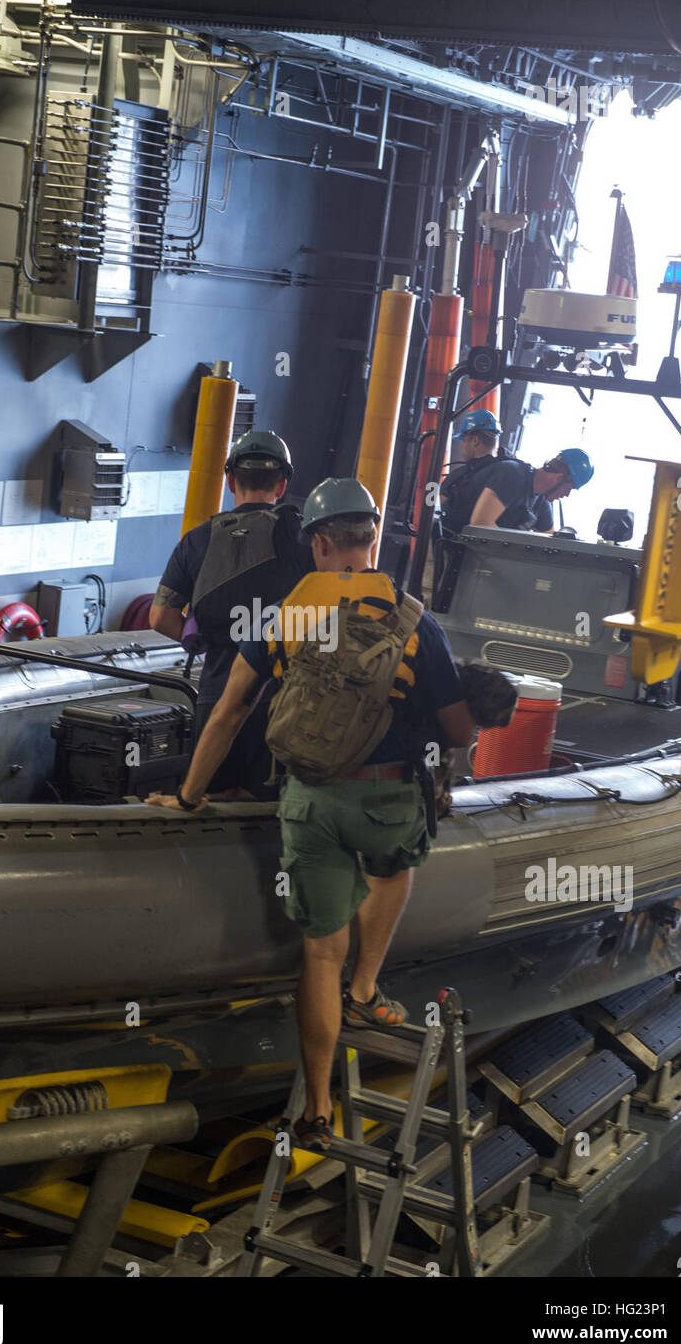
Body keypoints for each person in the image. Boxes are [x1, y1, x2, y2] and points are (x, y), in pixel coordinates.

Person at [147, 477, 474, 1150]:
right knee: (392, 868)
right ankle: (367, 986)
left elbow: (231, 705)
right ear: (371, 539)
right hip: (386, 797)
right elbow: (458, 729)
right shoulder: (413, 617)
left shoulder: (295, 610)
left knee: (315, 955)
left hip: (311, 799)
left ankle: (317, 1106)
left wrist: (187, 795)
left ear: (320, 543)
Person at [149, 429, 313, 798]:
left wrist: (210, 643)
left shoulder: (197, 539)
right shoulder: (303, 537)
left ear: (229, 480)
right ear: (282, 485)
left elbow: (160, 617)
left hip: (218, 694)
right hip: (286, 699)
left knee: (208, 802)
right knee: (273, 809)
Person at [467, 446, 594, 533]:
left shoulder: (542, 503)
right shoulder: (512, 475)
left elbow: (549, 543)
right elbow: (480, 524)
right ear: (559, 478)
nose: (566, 495)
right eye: (570, 488)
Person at [439, 409, 507, 534]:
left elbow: (432, 510)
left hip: (451, 544)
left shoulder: (458, 476)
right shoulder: (508, 474)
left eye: (464, 440)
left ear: (475, 441)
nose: (462, 445)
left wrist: (429, 490)